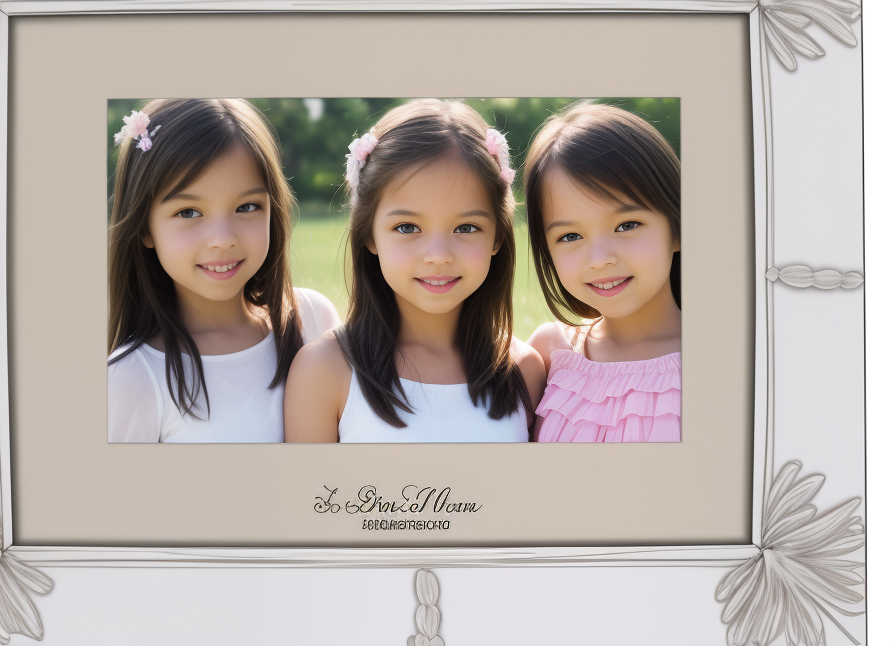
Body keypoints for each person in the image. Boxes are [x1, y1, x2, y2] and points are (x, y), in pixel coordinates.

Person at [284, 99, 545, 442]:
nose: (438, 256)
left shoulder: (524, 370)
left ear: (498, 235)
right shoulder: (324, 371)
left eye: (466, 228)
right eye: (407, 228)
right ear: (369, 234)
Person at [107, 99, 340, 442]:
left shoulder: (312, 320)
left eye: (246, 207)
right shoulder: (132, 377)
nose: (222, 240)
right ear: (145, 227)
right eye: (188, 212)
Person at [523, 102, 681, 443]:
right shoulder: (549, 356)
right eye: (570, 236)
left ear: (678, 227)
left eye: (626, 225)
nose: (599, 259)